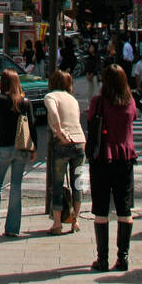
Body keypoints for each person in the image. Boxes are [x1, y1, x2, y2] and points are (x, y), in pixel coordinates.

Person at [87, 65, 138, 272]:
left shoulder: (97, 102)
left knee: (101, 208)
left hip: (102, 158)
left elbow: (91, 122)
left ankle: (102, 258)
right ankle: (123, 256)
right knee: (124, 208)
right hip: (124, 157)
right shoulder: (130, 102)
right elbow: (133, 118)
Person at [0, 68, 37, 238]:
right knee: (15, 187)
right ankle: (13, 228)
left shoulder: (0, 100)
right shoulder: (25, 102)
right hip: (21, 147)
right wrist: (34, 148)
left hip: (3, 146)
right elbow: (32, 126)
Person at [44, 69, 86, 235]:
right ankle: (76, 220)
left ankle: (57, 223)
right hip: (79, 142)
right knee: (77, 184)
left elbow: (53, 112)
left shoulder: (51, 96)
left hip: (62, 143)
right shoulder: (73, 99)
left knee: (57, 184)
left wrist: (59, 132)